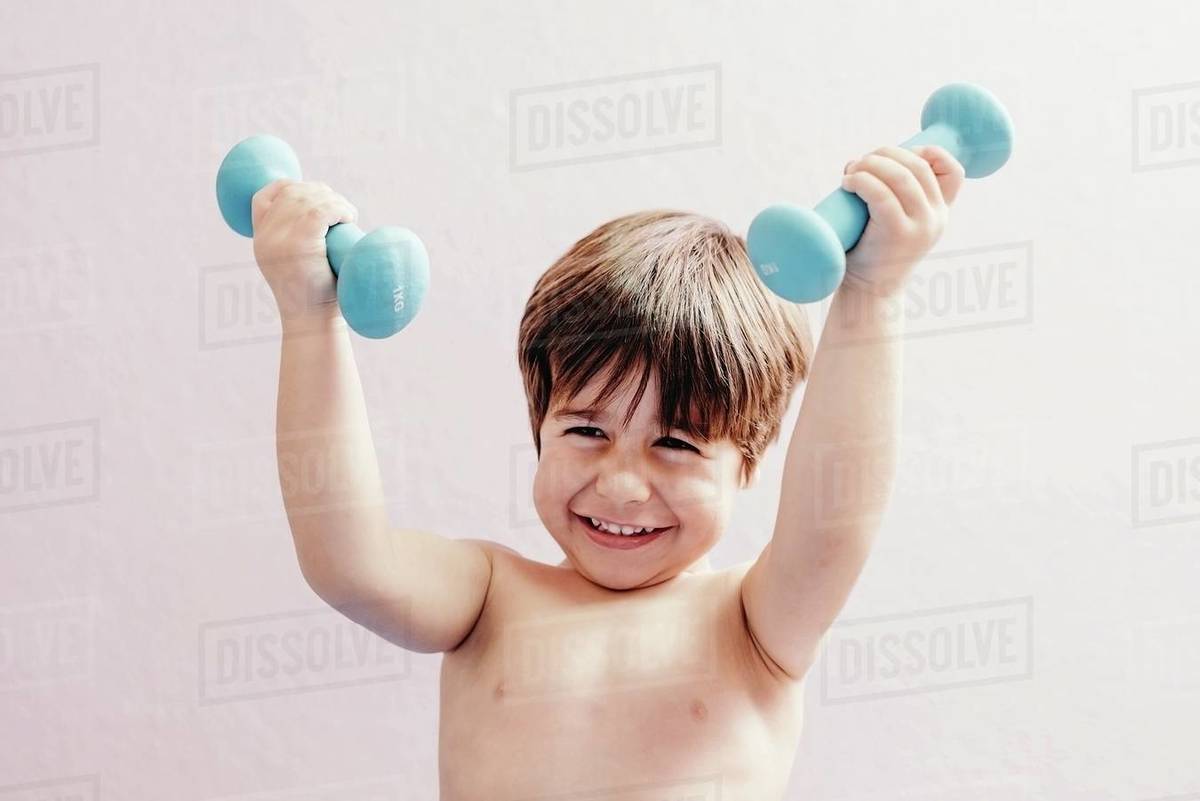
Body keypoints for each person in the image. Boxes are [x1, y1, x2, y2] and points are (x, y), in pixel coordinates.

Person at [249, 144, 965, 799]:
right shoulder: (487, 598)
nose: (622, 483)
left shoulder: (754, 624)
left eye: (677, 444)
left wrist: (872, 294)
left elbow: (833, 522)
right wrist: (309, 315)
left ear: (746, 463)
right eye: (588, 430)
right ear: (540, 430)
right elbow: (350, 564)